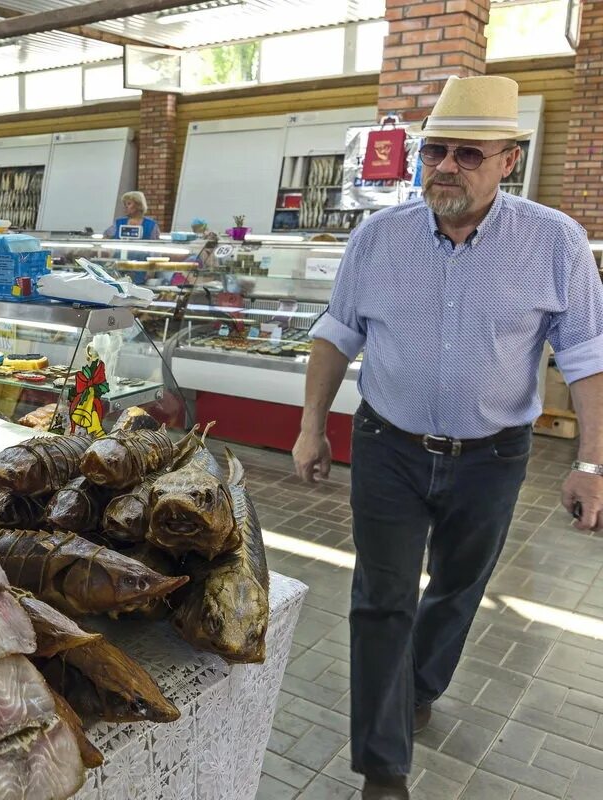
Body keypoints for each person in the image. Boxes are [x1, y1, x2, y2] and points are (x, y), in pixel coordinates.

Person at [291, 75, 603, 800]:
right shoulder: (379, 238)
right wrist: (311, 426)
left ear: (507, 162)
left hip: (493, 459)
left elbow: (587, 358)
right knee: (382, 598)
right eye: (435, 152)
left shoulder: (555, 243)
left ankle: (423, 684)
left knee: (459, 587)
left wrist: (590, 462)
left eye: (469, 154)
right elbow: (336, 337)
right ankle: (383, 766)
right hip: (389, 447)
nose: (446, 168)